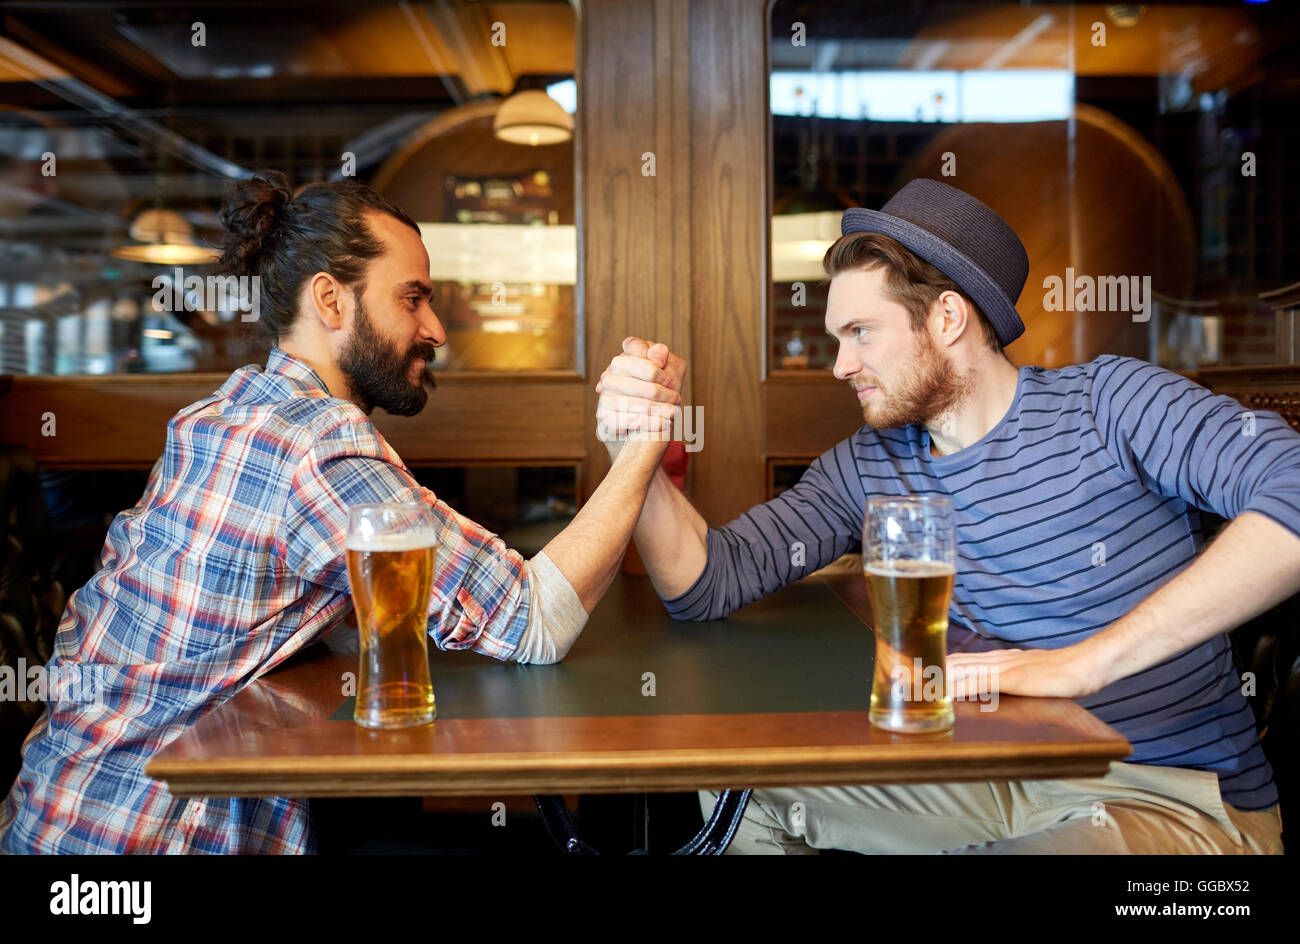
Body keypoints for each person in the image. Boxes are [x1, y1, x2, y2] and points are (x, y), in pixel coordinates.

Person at [596, 178, 1300, 854]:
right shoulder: (867, 465)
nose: (840, 365)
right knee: (736, 792)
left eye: (862, 332)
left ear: (948, 317)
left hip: (1173, 797)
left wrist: (1082, 664)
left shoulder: (1111, 403)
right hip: (993, 774)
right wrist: (638, 455)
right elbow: (707, 582)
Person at [0, 170, 679, 853]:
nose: (435, 329)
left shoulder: (221, 414)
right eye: (412, 299)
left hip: (54, 816)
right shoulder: (316, 442)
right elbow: (531, 620)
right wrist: (642, 446)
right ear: (330, 299)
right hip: (149, 840)